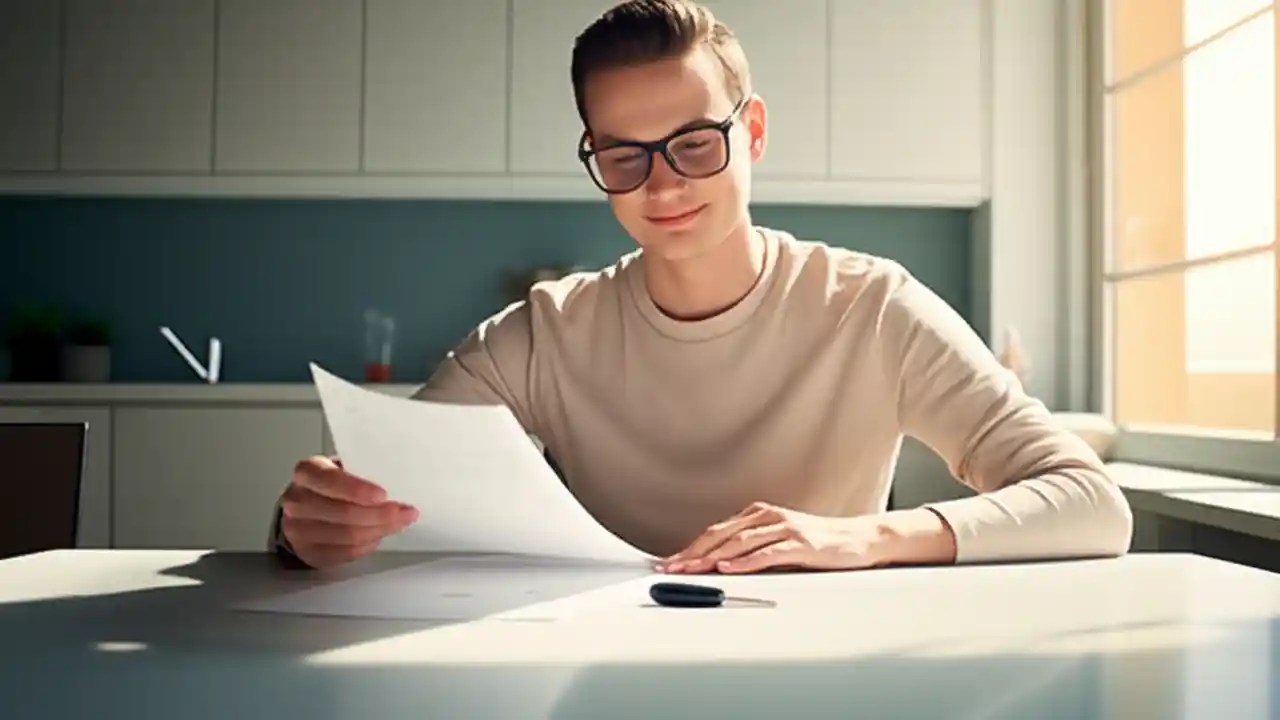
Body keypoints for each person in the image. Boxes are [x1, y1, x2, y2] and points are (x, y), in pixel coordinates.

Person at [270, 0, 1132, 573]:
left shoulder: (872, 309)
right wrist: (304, 529)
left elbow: (1093, 504)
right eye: (623, 155)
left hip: (827, 673)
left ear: (751, 133)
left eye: (693, 143)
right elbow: (373, 497)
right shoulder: (542, 335)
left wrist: (862, 537)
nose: (663, 186)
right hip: (602, 670)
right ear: (594, 158)